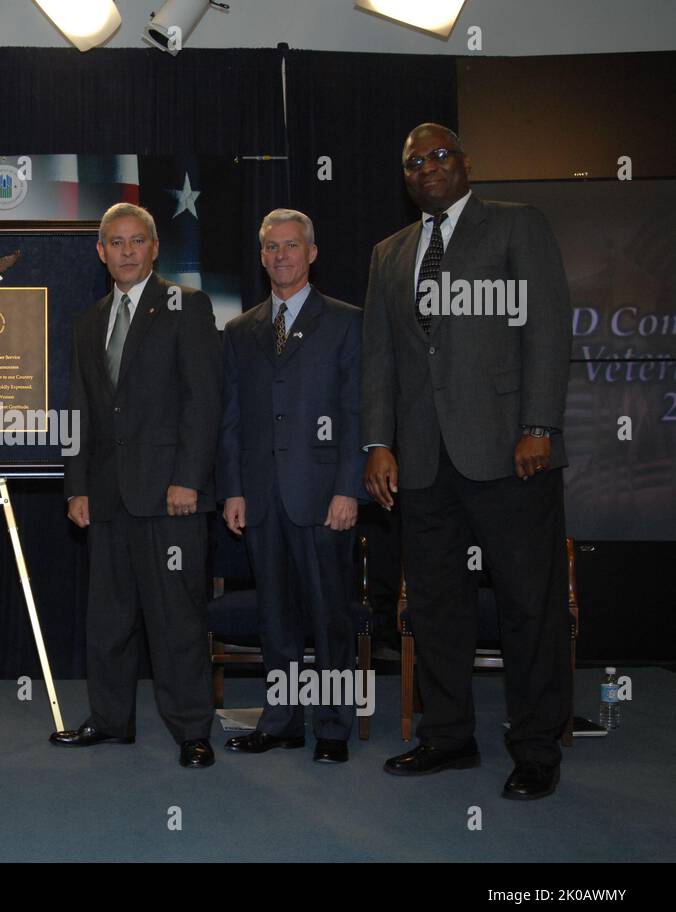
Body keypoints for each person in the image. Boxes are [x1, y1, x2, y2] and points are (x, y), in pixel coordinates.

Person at [362, 123, 571, 799]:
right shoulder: (388, 254)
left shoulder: (516, 225)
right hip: (422, 462)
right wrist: (378, 442)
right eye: (413, 161)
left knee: (526, 604)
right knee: (435, 605)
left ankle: (536, 746)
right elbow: (380, 360)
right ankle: (447, 735)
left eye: (438, 155)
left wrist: (539, 423)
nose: (426, 167)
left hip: (510, 451)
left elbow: (546, 327)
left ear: (464, 163)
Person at [53, 203, 222, 768]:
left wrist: (187, 479)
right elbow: (77, 409)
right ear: (101, 252)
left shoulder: (187, 306)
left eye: (137, 241)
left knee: (176, 619)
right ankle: (109, 721)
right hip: (106, 498)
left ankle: (191, 729)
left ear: (154, 248)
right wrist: (76, 487)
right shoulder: (87, 320)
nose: (126, 251)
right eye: (115, 242)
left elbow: (203, 401)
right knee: (108, 621)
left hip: (170, 497)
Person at [217, 209, 363, 764]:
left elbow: (357, 413)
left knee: (330, 619)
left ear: (312, 252)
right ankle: (281, 722)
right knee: (274, 619)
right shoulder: (240, 331)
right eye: (271, 248)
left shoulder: (348, 322)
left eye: (292, 246)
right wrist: (232, 489)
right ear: (261, 257)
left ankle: (332, 728)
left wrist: (349, 488)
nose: (281, 255)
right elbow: (230, 420)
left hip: (326, 499)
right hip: (259, 499)